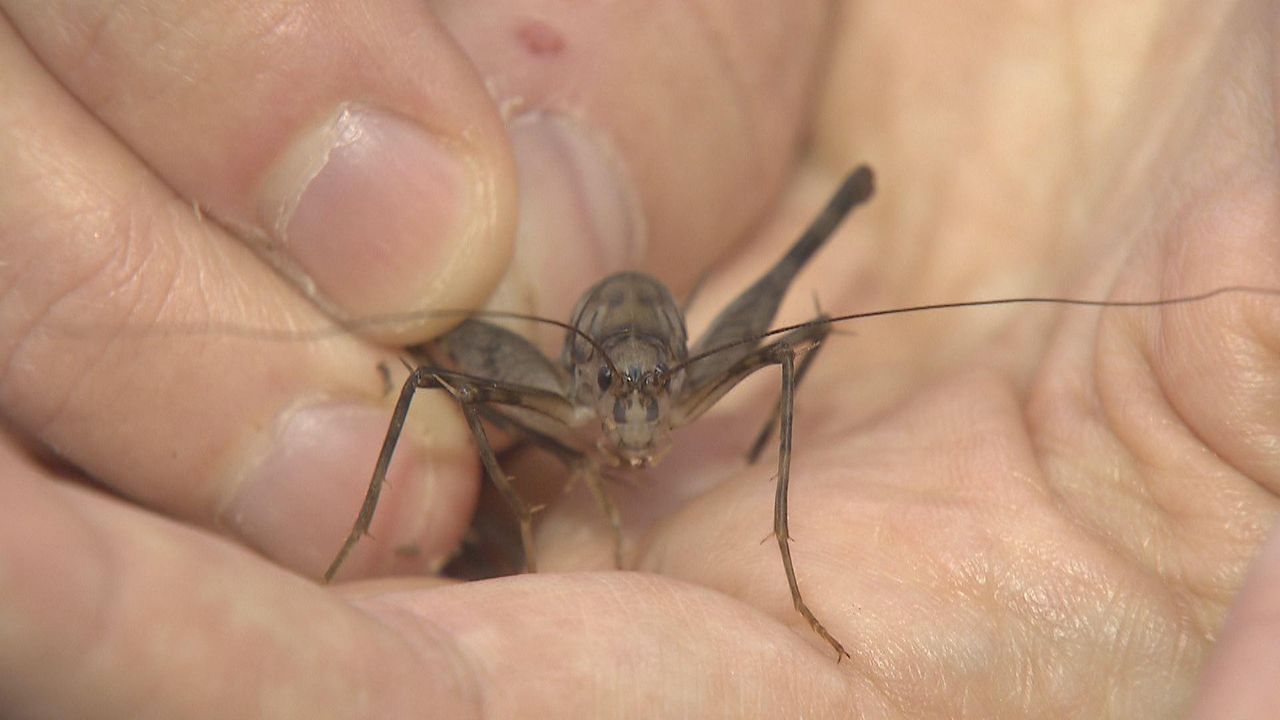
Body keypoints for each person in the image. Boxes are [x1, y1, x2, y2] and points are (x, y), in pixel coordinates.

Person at [1, 2, 1276, 716]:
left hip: (665, 318)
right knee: (421, 345)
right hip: (571, 334)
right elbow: (445, 370)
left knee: (799, 309)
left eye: (644, 408)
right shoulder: (568, 388)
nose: (632, 424)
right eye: (617, 411)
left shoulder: (680, 380)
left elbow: (791, 343)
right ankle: (345, 534)